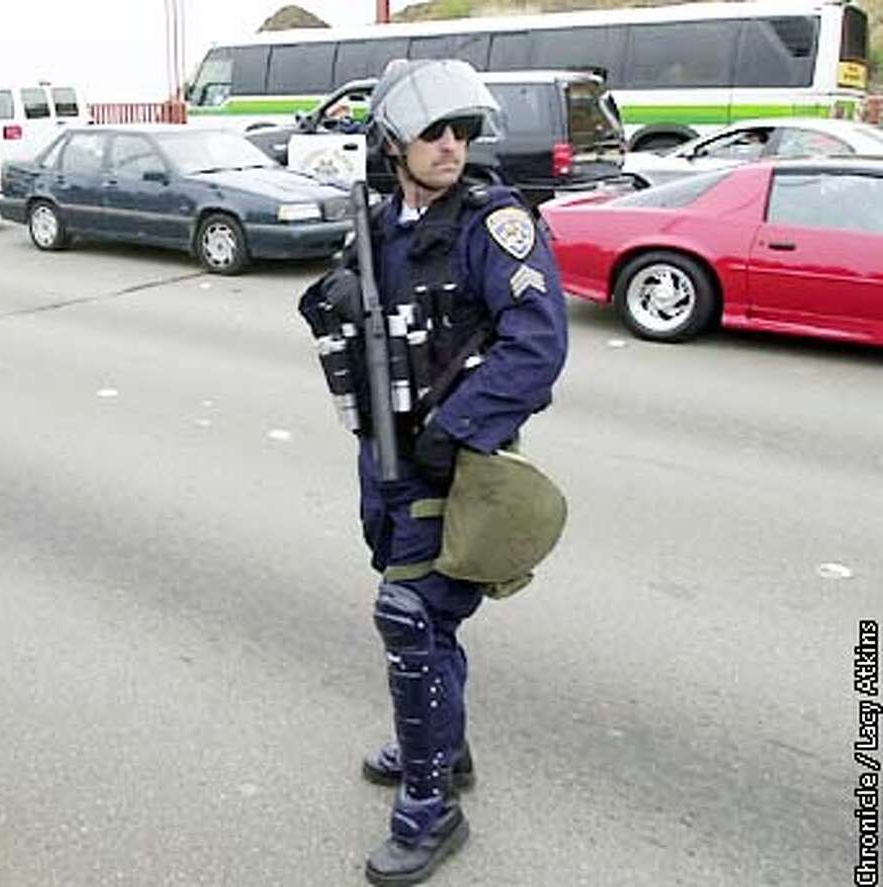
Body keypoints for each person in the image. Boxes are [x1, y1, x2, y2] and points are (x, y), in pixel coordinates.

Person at [299, 59, 568, 885]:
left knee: (409, 613)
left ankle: (429, 806)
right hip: (385, 457)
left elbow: (537, 345)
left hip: (456, 460)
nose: (452, 145)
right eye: (433, 131)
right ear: (392, 143)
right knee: (423, 610)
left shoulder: (494, 223)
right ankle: (444, 747)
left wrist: (454, 431)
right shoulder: (378, 225)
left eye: (464, 130)